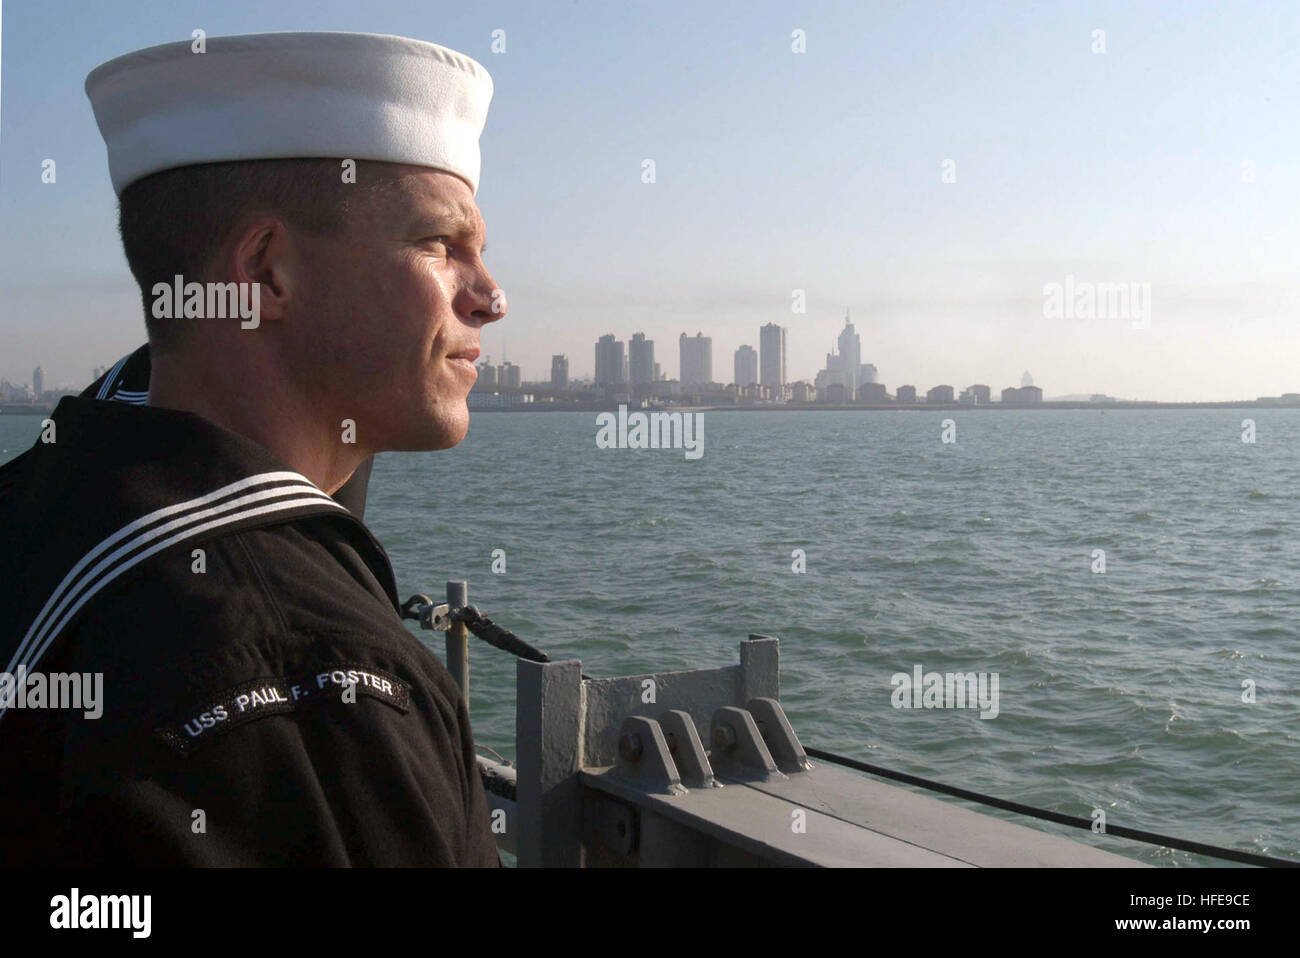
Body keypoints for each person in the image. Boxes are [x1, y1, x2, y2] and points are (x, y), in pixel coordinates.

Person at [0, 31, 506, 866]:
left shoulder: (40, 507)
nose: (490, 296)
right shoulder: (313, 687)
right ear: (266, 274)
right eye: (440, 245)